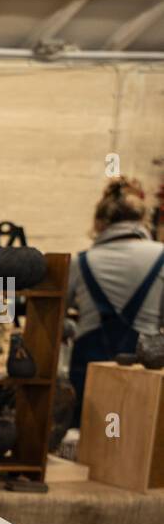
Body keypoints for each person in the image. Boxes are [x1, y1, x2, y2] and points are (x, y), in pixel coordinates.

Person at [67, 177, 164, 420]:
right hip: (145, 365)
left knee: (88, 431)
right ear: (142, 219)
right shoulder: (161, 256)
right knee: (138, 432)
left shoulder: (81, 262)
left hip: (89, 363)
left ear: (99, 222)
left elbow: (57, 313)